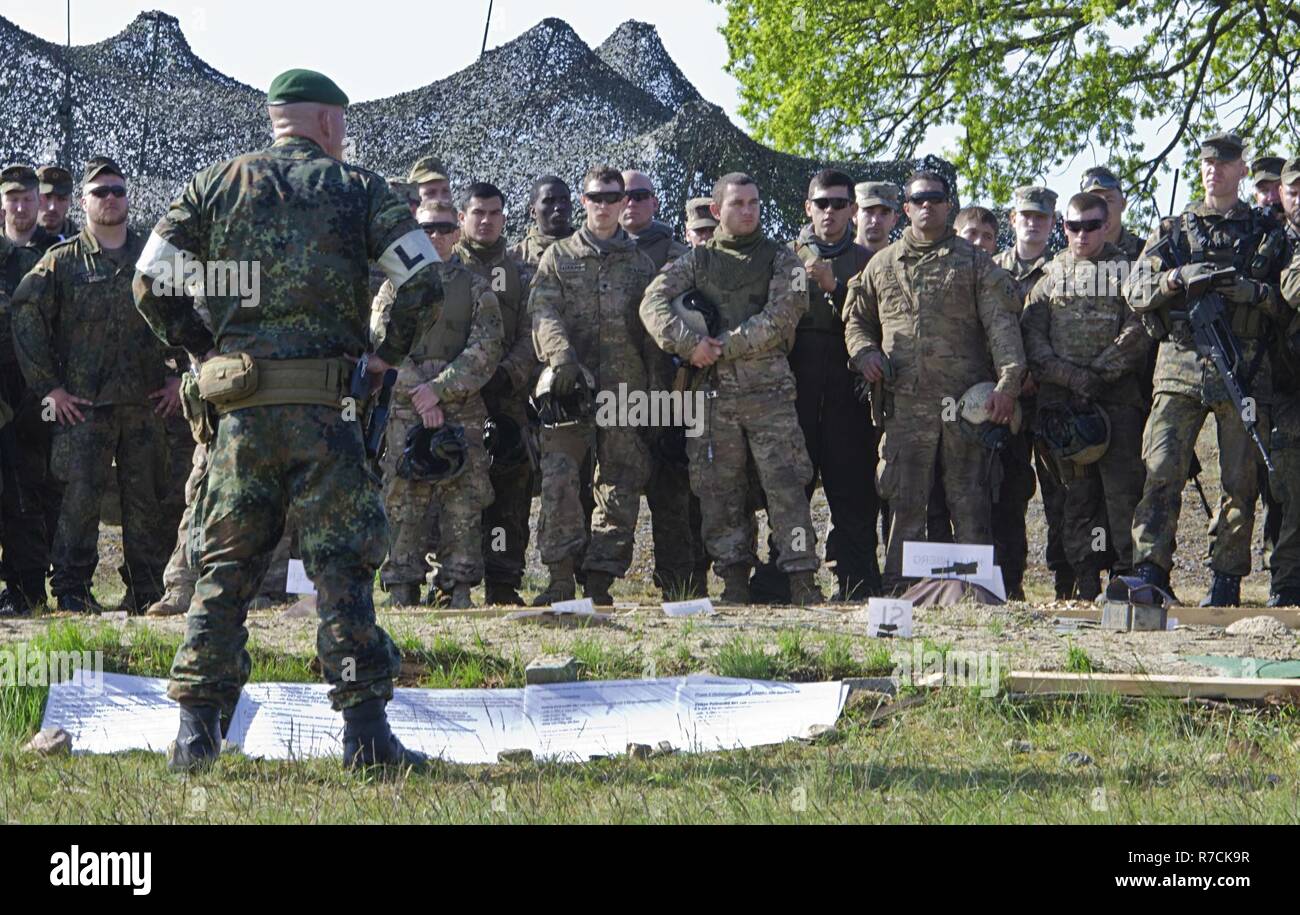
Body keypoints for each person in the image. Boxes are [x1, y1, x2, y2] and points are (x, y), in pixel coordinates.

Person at [133, 68, 443, 772]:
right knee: (341, 568)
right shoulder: (359, 187)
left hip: (240, 417)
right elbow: (424, 278)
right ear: (329, 123)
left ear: (277, 120)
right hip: (329, 413)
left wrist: (202, 347)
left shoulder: (215, 184)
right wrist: (387, 357)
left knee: (223, 569)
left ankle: (195, 738)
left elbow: (150, 279)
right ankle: (366, 737)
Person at [1124, 131, 1291, 607]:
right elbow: (1134, 291)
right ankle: (1149, 570)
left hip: (1243, 370)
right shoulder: (1174, 231)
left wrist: (1255, 295)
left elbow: (1287, 305)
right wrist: (1176, 278)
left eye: (1225, 162)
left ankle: (1226, 580)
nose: (1213, 169)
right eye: (1206, 162)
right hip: (1179, 366)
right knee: (1160, 470)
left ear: (1242, 170)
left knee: (1240, 482)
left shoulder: (1265, 233)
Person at [640, 172, 821, 605]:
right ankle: (734, 580)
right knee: (720, 490)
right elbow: (651, 302)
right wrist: (688, 346)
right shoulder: (697, 261)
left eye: (753, 203)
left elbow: (785, 313)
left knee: (786, 488)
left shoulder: (783, 259)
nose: (748, 210)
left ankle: (802, 581)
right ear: (716, 211)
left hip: (770, 395)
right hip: (714, 397)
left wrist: (722, 347)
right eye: (738, 203)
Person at [843, 171, 1025, 591]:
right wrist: (864, 353)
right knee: (904, 500)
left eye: (936, 199)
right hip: (904, 406)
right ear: (905, 208)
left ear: (948, 207)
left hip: (965, 408)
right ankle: (899, 591)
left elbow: (1001, 324)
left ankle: (979, 593)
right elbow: (856, 320)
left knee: (971, 501)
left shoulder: (976, 263)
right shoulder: (882, 265)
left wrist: (1008, 383)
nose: (928, 206)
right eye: (919, 199)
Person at [12, 156, 176, 614]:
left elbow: (187, 313)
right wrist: (48, 388)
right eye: (100, 192)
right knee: (77, 502)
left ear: (128, 198)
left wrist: (177, 376)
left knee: (146, 501)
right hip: (83, 407)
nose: (110, 199)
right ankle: (72, 591)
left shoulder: (153, 257)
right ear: (83, 202)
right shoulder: (60, 262)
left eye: (117, 190)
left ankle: (147, 591)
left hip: (145, 406)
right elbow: (25, 315)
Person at [527, 165, 657, 606]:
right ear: (584, 202)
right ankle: (561, 577)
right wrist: (561, 356)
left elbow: (652, 333)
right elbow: (543, 312)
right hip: (568, 390)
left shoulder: (641, 265)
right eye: (595, 197)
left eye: (612, 197)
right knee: (560, 479)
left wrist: (659, 395)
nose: (604, 205)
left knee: (620, 483)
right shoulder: (558, 257)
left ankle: (600, 579)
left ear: (624, 202)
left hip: (626, 390)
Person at [1021, 192, 1150, 598]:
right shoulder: (1051, 275)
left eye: (1092, 225)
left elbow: (1139, 329)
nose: (1082, 235)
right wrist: (1071, 378)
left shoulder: (1128, 271)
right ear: (1064, 228)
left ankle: (1128, 576)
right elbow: (1031, 335)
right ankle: (1083, 581)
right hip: (1063, 407)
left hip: (1116, 403)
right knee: (1075, 498)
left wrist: (1099, 374)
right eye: (1074, 227)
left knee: (1122, 494)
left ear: (1106, 222)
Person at [378, 201, 502, 609]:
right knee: (403, 495)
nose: (435, 236)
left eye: (443, 228)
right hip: (405, 408)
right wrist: (420, 392)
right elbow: (382, 344)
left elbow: (486, 347)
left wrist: (441, 390)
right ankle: (401, 586)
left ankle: (458, 587)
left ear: (456, 234)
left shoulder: (476, 287)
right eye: (426, 228)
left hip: (461, 407)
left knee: (463, 497)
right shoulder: (395, 286)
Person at [787, 168, 876, 600]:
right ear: (808, 208)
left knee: (853, 491)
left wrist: (835, 288)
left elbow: (877, 323)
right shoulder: (785, 258)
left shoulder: (868, 262)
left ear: (852, 211)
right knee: (791, 492)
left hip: (848, 391)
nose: (830, 212)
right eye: (822, 203)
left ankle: (855, 581)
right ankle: (790, 578)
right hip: (797, 388)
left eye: (839, 204)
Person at [453, 182, 538, 606]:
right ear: (462, 217)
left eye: (493, 213)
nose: (485, 221)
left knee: (508, 491)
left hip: (506, 396)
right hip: (456, 396)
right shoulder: (447, 265)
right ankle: (451, 579)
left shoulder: (521, 273)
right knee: (454, 486)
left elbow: (533, 331)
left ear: (505, 218)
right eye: (477, 213)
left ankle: (502, 580)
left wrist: (510, 373)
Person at [992, 185, 1059, 599]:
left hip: (1053, 395)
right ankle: (1008, 582)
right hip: (1007, 399)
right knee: (1008, 491)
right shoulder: (991, 268)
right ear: (1013, 219)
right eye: (1026, 216)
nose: (1032, 223)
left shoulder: (1066, 268)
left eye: (1041, 217)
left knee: (1061, 493)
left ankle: (1067, 579)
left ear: (1052, 224)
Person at [0, 166, 54, 614]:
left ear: (39, 203)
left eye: (27, 198)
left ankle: (28, 590)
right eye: (13, 197)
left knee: (30, 491)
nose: (20, 206)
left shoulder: (57, 257)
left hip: (40, 395)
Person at [510, 176, 573, 267]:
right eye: (549, 201)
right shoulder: (513, 259)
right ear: (533, 212)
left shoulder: (591, 251)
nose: (559, 207)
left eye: (564, 200)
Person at [36, 165, 77, 240]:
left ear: (70, 202)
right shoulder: (13, 244)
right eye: (47, 197)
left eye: (61, 199)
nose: (53, 207)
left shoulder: (82, 247)